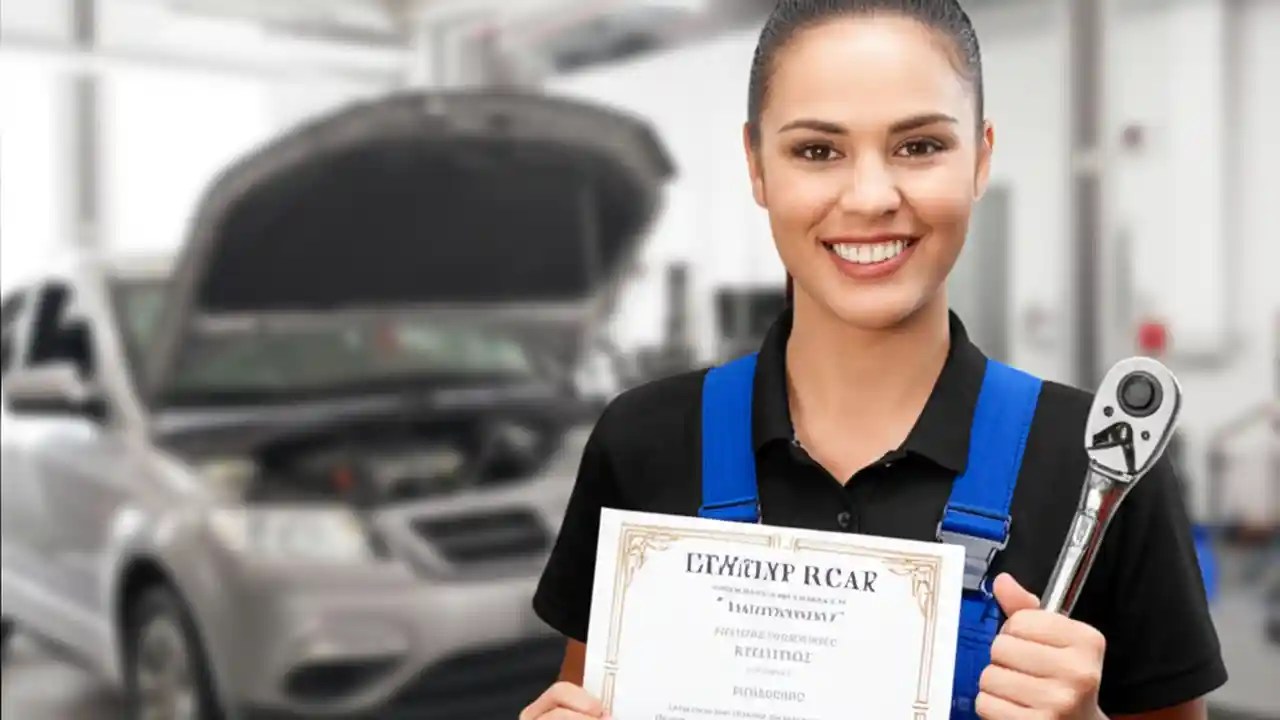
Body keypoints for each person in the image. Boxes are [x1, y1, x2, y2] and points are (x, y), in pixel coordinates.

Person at [520, 1, 1228, 718]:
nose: (869, 198)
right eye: (817, 151)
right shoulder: (642, 444)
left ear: (980, 157)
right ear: (756, 165)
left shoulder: (1098, 471)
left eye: (919, 146)